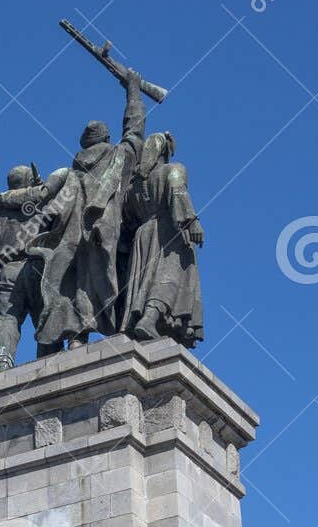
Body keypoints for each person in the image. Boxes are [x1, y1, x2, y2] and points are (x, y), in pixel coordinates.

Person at [28, 71, 147, 351]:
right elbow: (135, 130)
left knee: (79, 282)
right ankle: (120, 328)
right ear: (106, 138)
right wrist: (133, 90)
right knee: (113, 277)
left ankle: (77, 336)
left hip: (71, 239)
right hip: (108, 233)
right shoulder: (119, 156)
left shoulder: (72, 173)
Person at [0, 164, 68, 371]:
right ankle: (50, 366)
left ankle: (2, 361)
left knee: (7, 320)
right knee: (46, 319)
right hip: (41, 267)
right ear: (29, 182)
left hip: (9, 272)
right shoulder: (43, 202)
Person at [119, 130, 204, 346]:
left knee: (146, 277)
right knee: (170, 276)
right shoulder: (173, 170)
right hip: (169, 231)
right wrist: (191, 221)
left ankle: (139, 320)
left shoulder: (132, 187)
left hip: (143, 235)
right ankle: (149, 318)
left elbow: (126, 218)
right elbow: (177, 192)